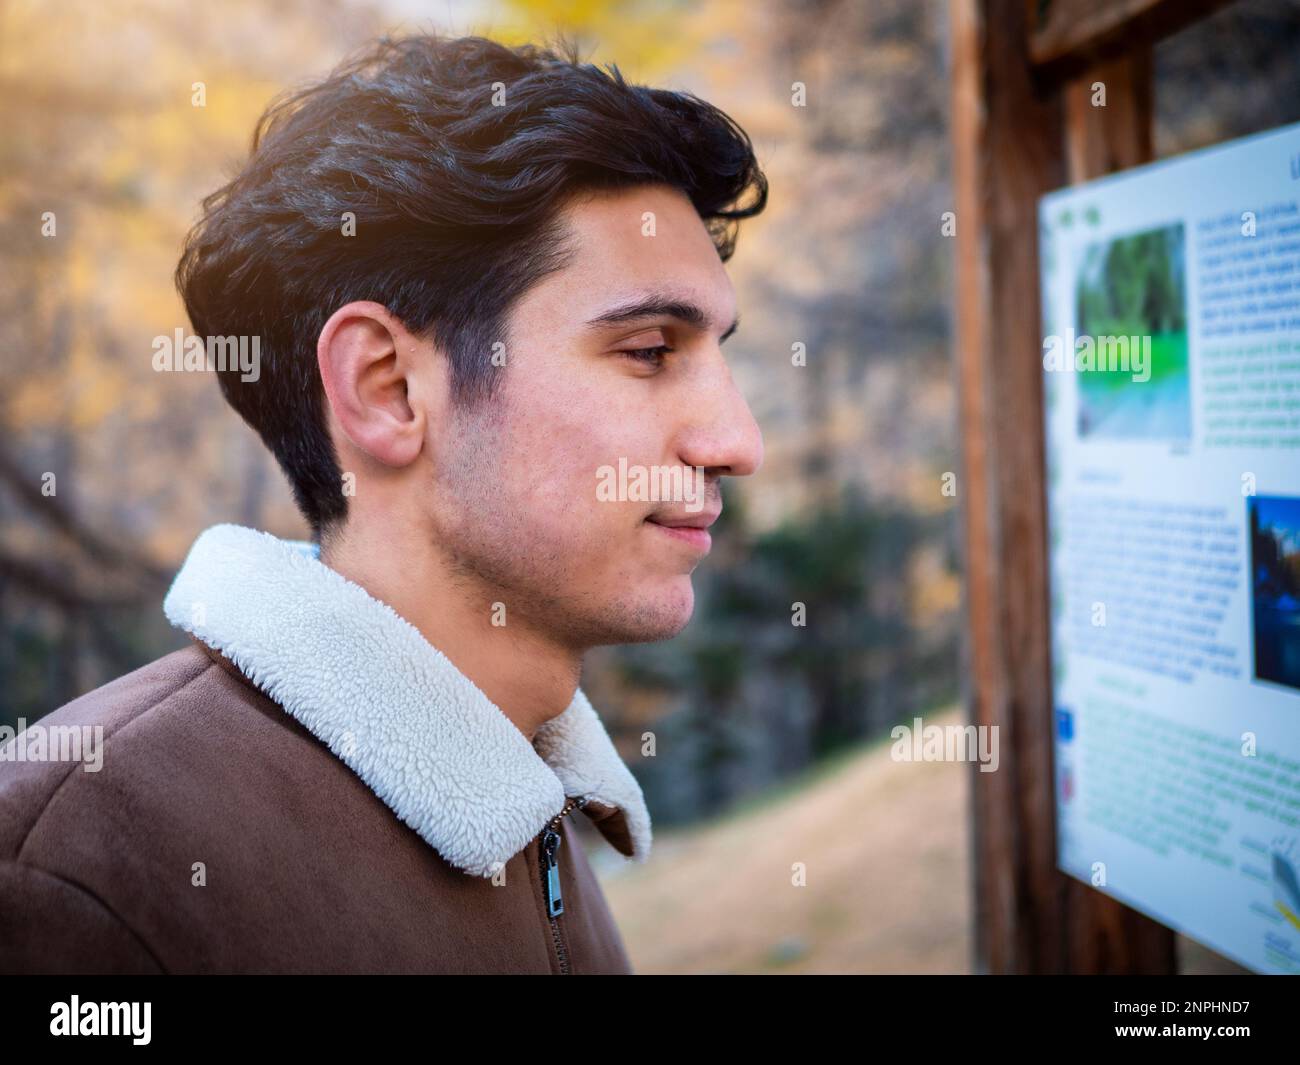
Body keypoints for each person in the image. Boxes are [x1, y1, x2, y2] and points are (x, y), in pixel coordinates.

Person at [0, 30, 766, 974]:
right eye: (649, 351)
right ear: (387, 389)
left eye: (718, 352)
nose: (738, 443)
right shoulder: (74, 876)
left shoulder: (536, 811)